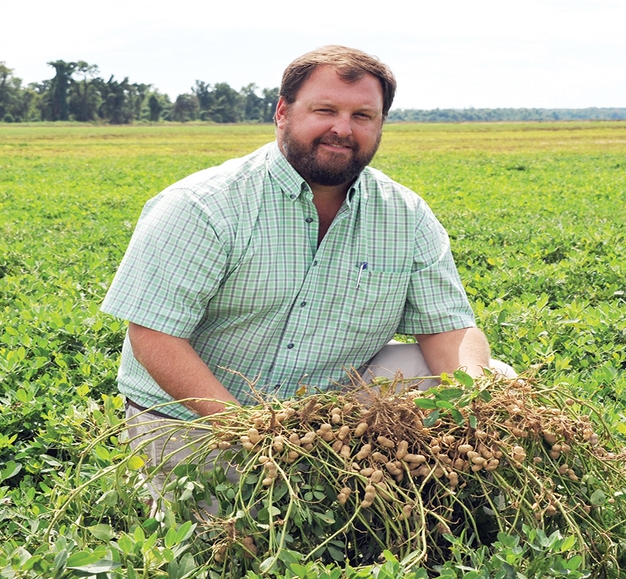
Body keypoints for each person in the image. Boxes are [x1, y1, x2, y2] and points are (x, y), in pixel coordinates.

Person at [100, 45, 513, 504]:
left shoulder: (406, 215)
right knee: (222, 548)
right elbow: (154, 335)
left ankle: (441, 501)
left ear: (380, 126)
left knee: (492, 380)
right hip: (194, 418)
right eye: (325, 110)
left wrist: (476, 405)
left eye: (363, 115)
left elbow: (449, 327)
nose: (343, 128)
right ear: (282, 112)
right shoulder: (204, 205)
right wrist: (246, 431)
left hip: (322, 406)